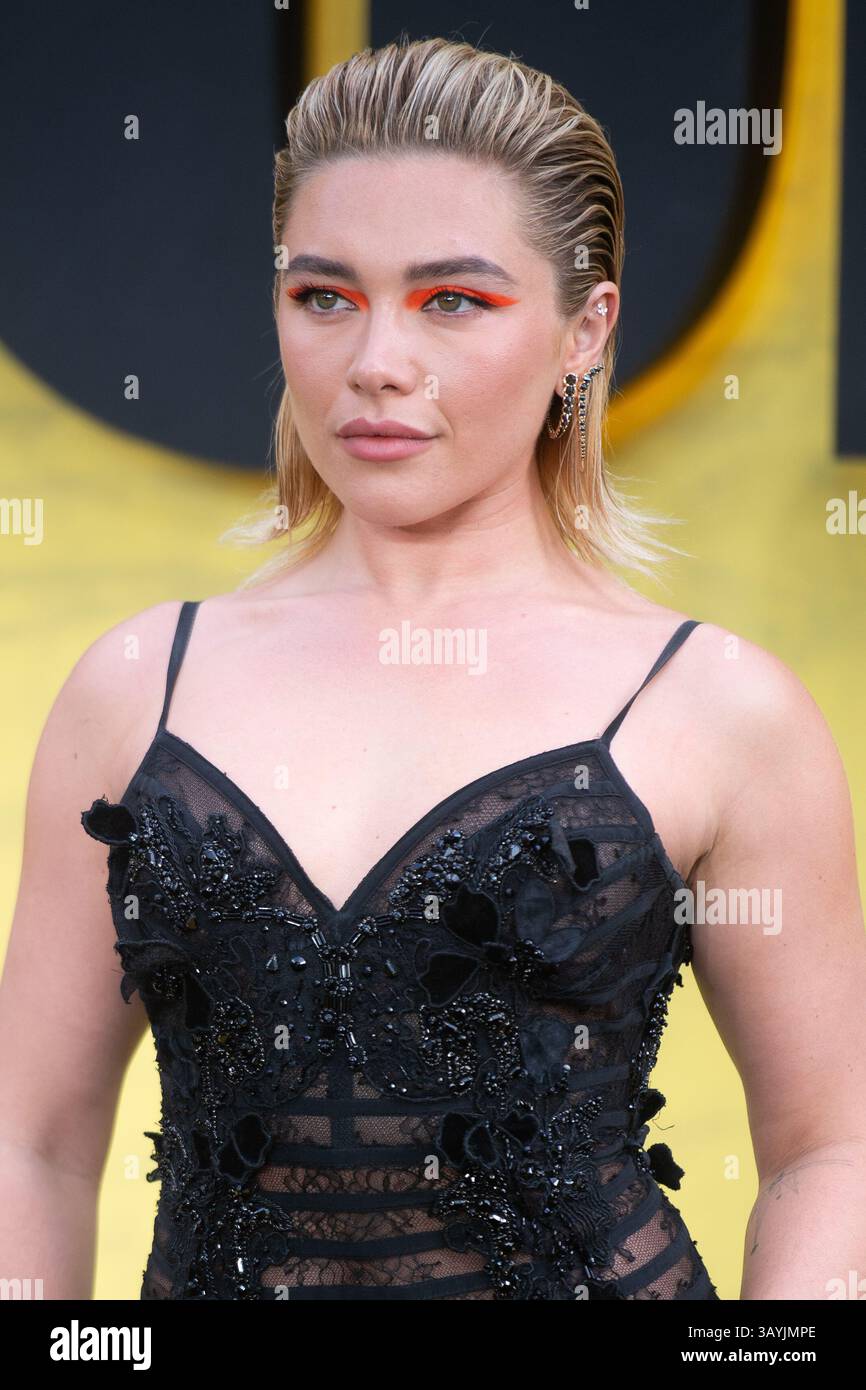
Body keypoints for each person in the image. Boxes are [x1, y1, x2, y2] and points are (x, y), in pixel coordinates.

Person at [2, 36, 865, 1302]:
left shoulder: (719, 710)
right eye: (324, 295)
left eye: (451, 300)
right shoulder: (138, 686)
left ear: (587, 326)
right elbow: (31, 1143)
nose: (375, 364)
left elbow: (827, 1150)